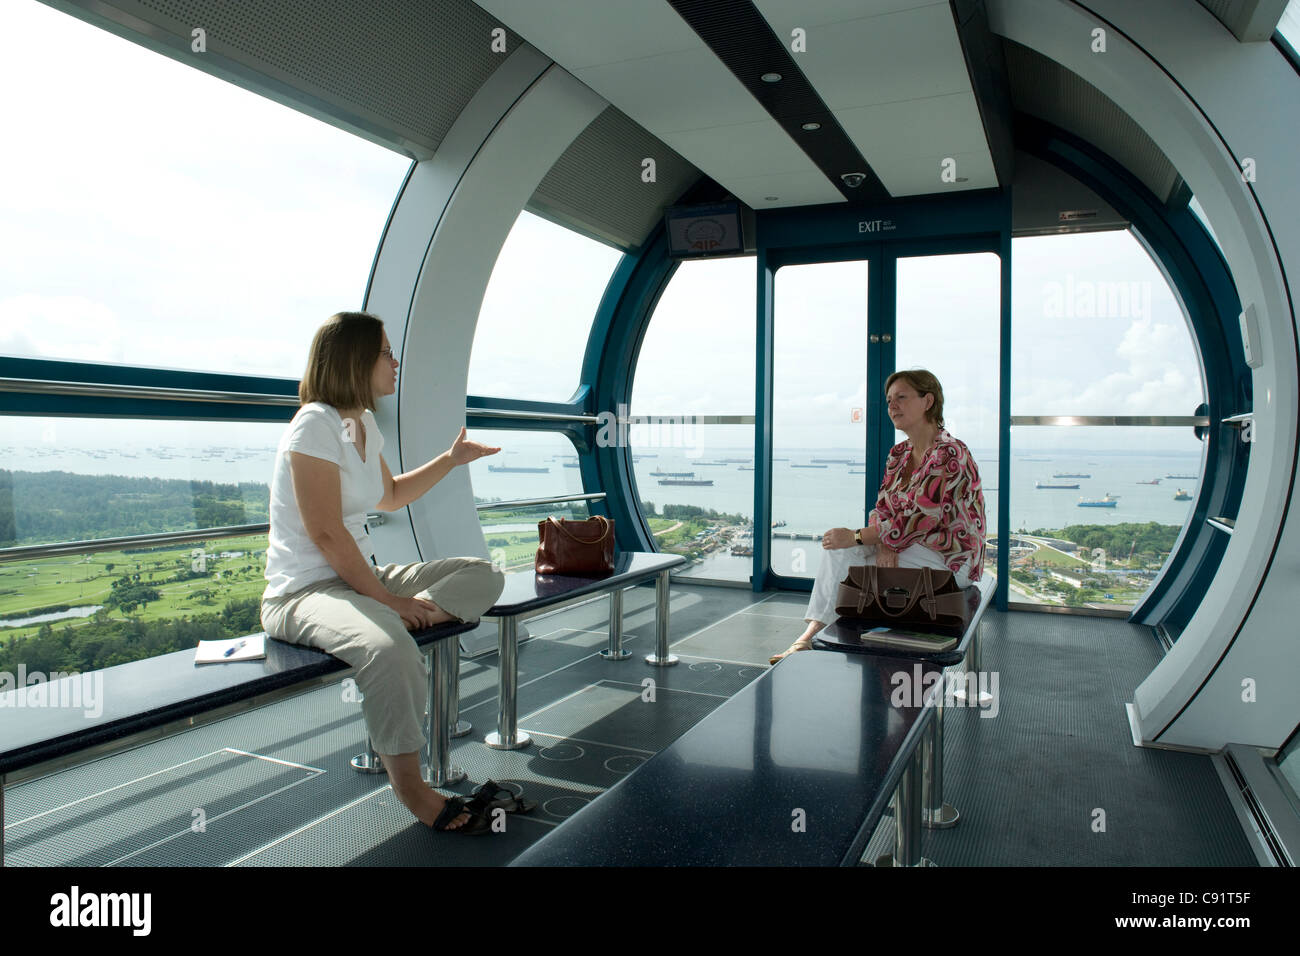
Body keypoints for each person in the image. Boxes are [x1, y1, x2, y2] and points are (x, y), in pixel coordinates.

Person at [260, 311, 505, 832]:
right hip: (304, 592)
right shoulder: (314, 424)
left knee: (482, 575)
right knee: (389, 647)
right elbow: (326, 533)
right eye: (386, 354)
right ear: (355, 359)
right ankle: (414, 791)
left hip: (358, 578)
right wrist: (389, 603)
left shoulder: (362, 423)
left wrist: (450, 459)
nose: (396, 363)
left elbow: (390, 497)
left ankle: (410, 615)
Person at [771, 369, 986, 664]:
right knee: (838, 552)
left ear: (928, 401)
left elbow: (918, 519)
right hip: (908, 545)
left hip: (950, 557)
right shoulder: (898, 454)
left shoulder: (950, 454)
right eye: (888, 401)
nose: (892, 406)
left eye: (901, 398)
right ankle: (809, 636)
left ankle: (826, 639)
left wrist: (860, 537)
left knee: (851, 551)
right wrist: (884, 544)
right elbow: (882, 509)